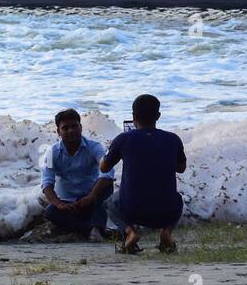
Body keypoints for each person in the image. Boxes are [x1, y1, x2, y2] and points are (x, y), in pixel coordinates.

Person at [101, 94, 187, 255]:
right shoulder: (173, 139)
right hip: (165, 211)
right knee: (178, 199)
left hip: (133, 209)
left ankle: (130, 232)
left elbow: (104, 168)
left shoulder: (124, 139)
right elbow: (181, 169)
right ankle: (166, 231)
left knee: (110, 203)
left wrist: (109, 153)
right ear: (158, 116)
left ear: (133, 117)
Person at [40, 108, 114, 241]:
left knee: (106, 187)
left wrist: (91, 196)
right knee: (51, 212)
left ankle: (94, 228)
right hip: (67, 203)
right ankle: (91, 229)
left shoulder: (94, 147)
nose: (71, 131)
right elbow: (47, 183)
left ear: (81, 127)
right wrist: (58, 204)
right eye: (65, 128)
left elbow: (107, 172)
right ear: (58, 131)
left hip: (92, 197)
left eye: (74, 126)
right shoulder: (52, 152)